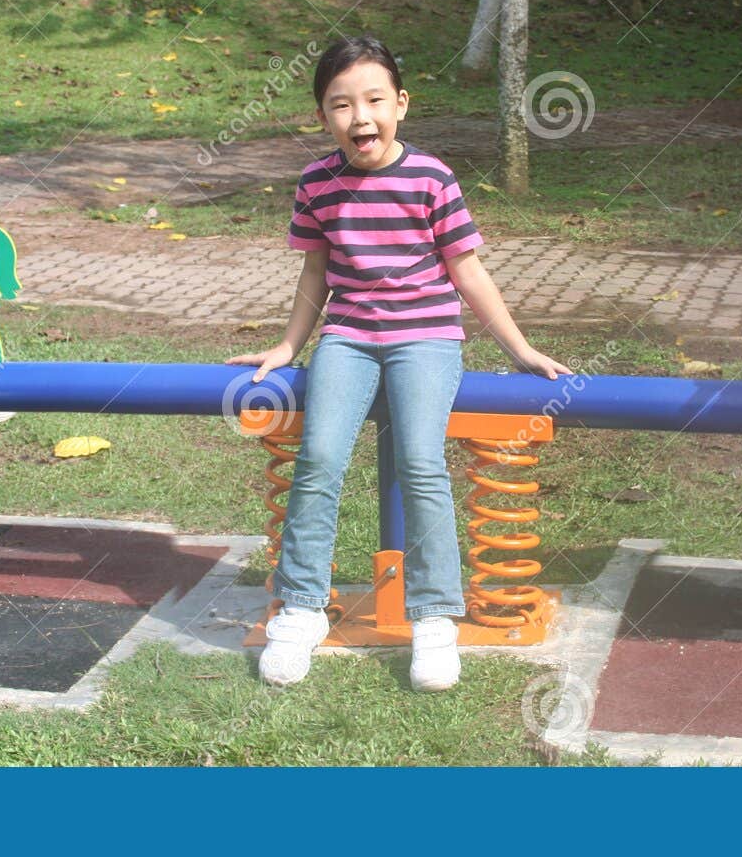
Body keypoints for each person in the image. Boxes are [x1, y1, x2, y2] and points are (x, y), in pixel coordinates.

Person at [230, 36, 570, 691]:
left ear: (401, 105)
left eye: (374, 100)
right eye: (340, 105)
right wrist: (287, 347)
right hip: (350, 337)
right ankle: (302, 611)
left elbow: (466, 272)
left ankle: (435, 620)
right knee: (321, 457)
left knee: (420, 459)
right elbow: (315, 274)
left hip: (426, 338)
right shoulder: (317, 183)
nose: (360, 117)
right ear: (323, 116)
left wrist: (520, 348)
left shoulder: (431, 178)